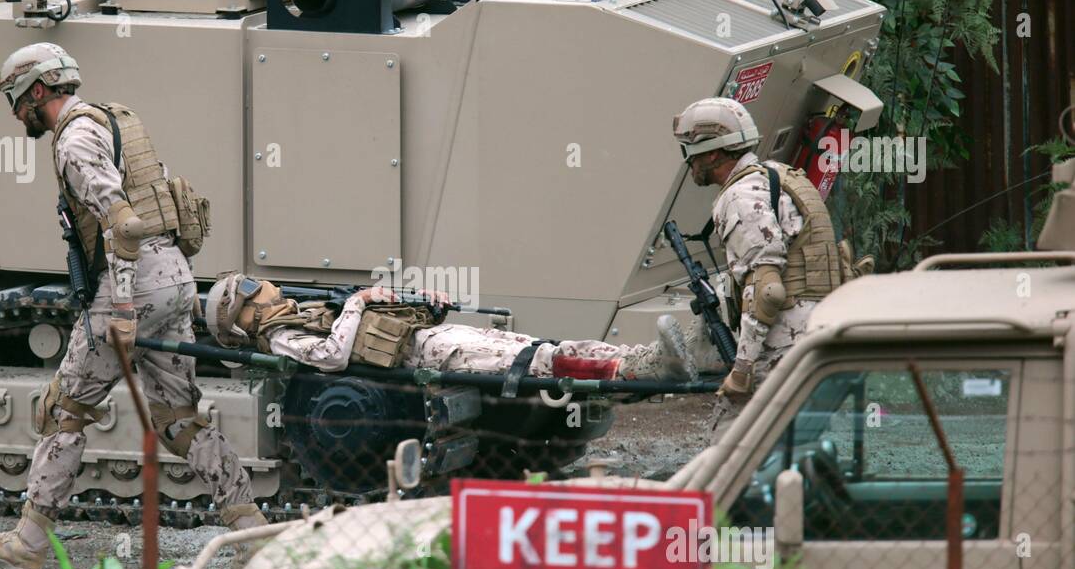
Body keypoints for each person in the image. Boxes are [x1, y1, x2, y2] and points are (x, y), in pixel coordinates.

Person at [0, 43, 265, 569]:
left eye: (15, 101)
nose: (14, 115)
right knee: (178, 421)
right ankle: (253, 535)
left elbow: (122, 224)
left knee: (64, 410)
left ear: (37, 92)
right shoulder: (115, 121)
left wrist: (121, 306)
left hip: (132, 288)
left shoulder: (74, 139)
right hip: (174, 278)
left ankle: (28, 546)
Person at [671, 96, 869, 430]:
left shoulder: (740, 196)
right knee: (793, 440)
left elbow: (767, 291)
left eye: (689, 150)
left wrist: (743, 368)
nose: (688, 162)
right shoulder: (780, 175)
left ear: (713, 151)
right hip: (825, 337)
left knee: (729, 445)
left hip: (787, 345)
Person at [203, 273, 696, 382]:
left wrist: (425, 307)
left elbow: (374, 325)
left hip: (431, 340)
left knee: (538, 346)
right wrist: (358, 301)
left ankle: (641, 357)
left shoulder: (300, 313)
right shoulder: (282, 338)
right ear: (240, 315)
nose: (264, 286)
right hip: (428, 358)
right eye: (251, 287)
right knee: (533, 363)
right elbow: (333, 356)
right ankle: (634, 372)